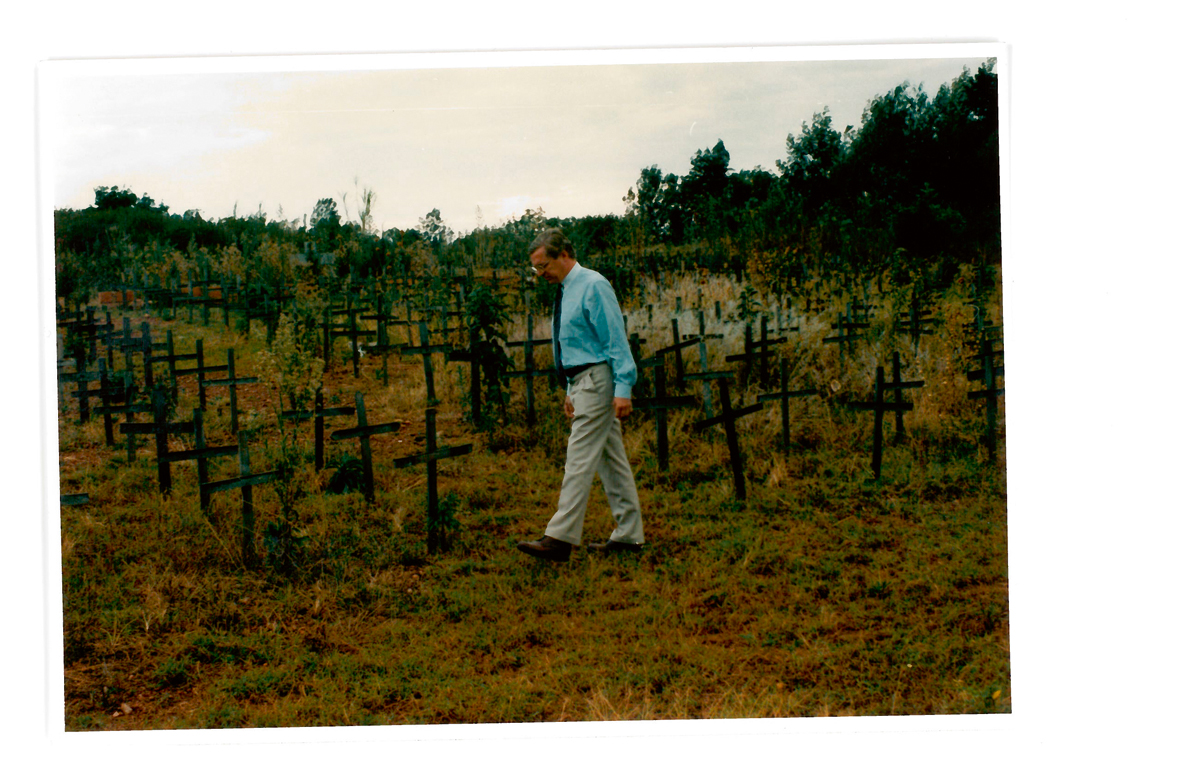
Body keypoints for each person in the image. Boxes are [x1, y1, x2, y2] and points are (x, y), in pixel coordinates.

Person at [517, 229, 644, 562]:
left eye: (543, 266)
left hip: (598, 381)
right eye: (536, 268)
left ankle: (559, 538)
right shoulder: (565, 290)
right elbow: (576, 345)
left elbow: (614, 339)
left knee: (578, 459)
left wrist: (623, 388)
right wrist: (570, 389)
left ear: (564, 255)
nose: (540, 274)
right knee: (611, 460)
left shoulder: (593, 285)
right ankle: (629, 536)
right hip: (582, 382)